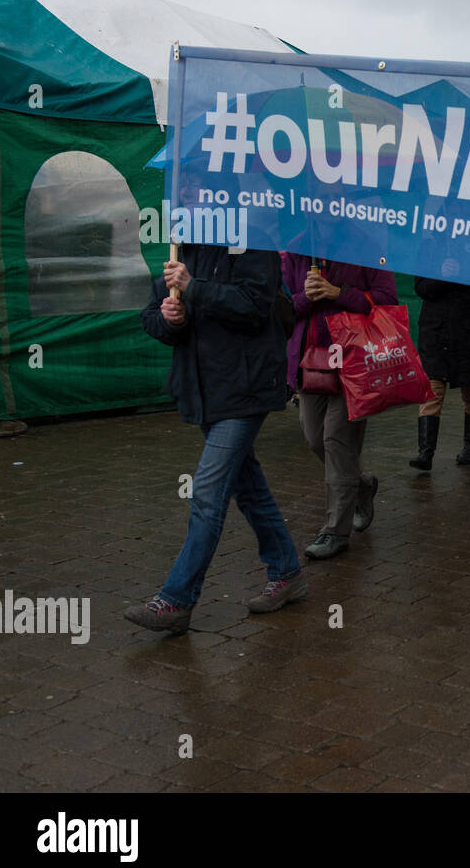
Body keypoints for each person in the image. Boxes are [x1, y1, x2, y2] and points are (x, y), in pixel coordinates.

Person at [125, 242, 306, 633]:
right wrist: (171, 319)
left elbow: (256, 305)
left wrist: (193, 287)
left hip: (246, 389)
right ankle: (287, 571)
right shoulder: (182, 249)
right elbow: (152, 318)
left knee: (207, 494)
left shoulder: (252, 242)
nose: (189, 197)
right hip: (204, 392)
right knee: (249, 487)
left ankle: (175, 600)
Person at [283, 251, 396, 560]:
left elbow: (387, 299)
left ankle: (335, 531)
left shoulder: (365, 247)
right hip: (311, 364)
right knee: (315, 438)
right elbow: (282, 308)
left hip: (354, 362)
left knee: (337, 441)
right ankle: (360, 485)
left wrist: (339, 294)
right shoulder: (294, 253)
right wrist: (306, 297)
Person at [408, 266, 470, 472]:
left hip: (469, 331)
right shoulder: (431, 245)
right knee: (432, 392)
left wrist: (463, 272)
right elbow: (422, 288)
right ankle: (425, 453)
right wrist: (443, 275)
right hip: (436, 330)